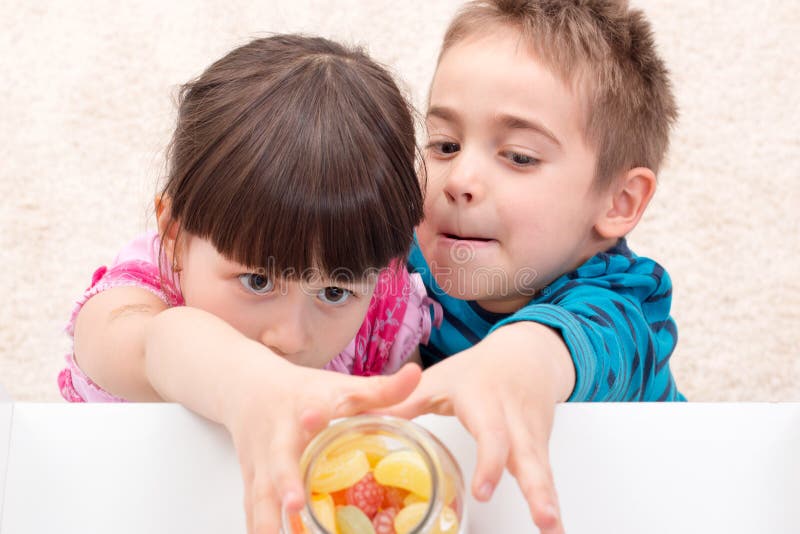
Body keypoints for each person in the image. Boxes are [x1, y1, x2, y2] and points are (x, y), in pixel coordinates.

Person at [58, 34, 437, 534]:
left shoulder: (384, 306)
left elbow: (393, 437)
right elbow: (157, 344)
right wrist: (248, 383)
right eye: (258, 280)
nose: (290, 337)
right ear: (176, 236)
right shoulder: (135, 301)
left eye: (334, 293)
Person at [387, 1, 684, 533]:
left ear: (618, 201)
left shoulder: (626, 301)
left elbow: (558, 345)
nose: (460, 179)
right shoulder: (406, 257)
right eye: (445, 145)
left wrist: (512, 364)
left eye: (519, 156)